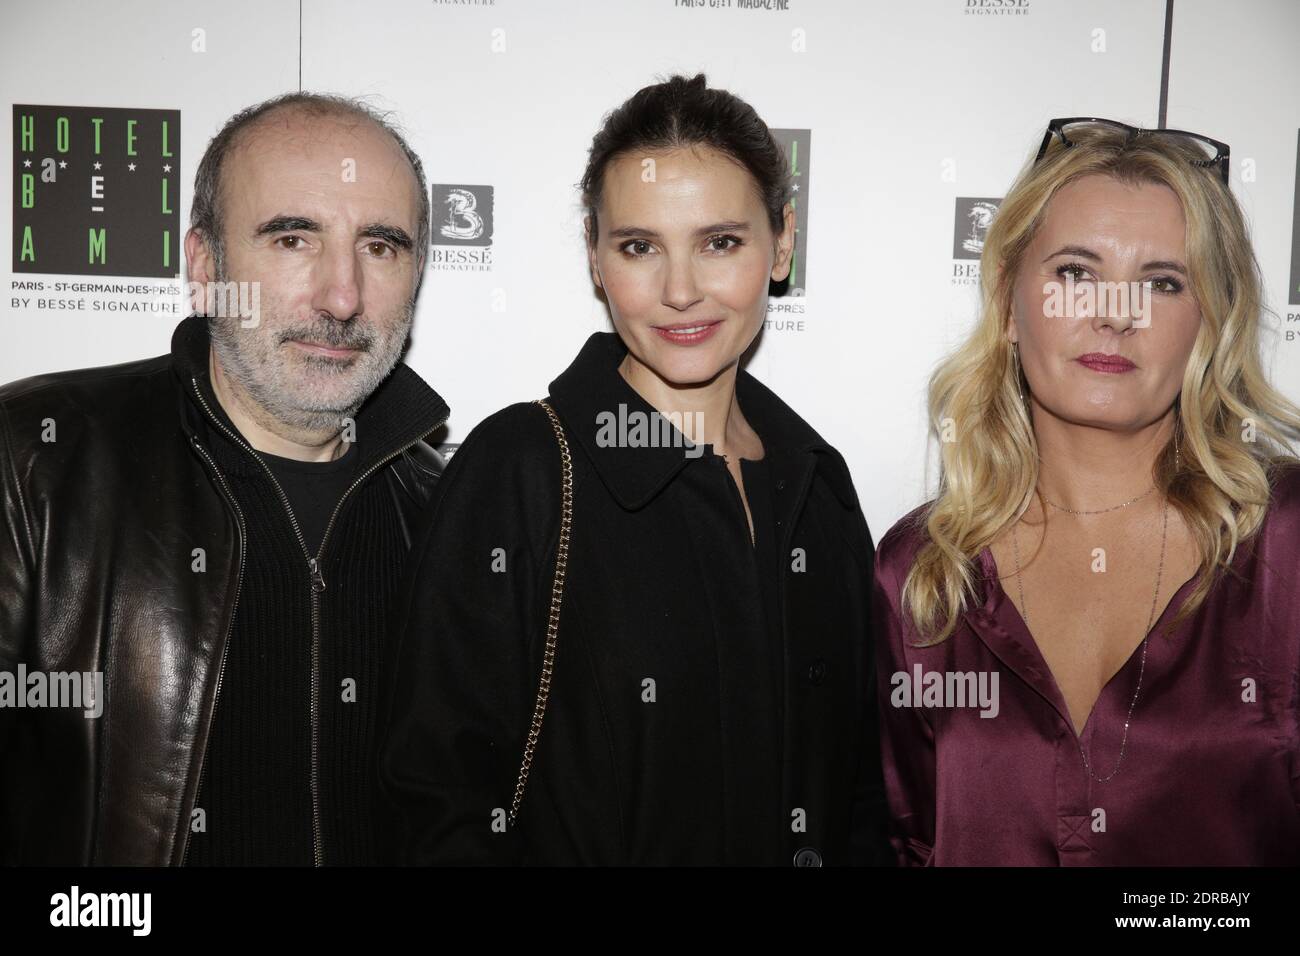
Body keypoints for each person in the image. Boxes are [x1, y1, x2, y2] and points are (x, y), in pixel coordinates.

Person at [381, 73, 890, 865]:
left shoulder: (818, 485)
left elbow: (857, 801)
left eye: (721, 242)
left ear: (783, 243)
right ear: (594, 257)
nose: (681, 291)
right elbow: (436, 803)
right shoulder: (520, 472)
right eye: (639, 247)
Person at [0, 92, 449, 865]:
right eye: (292, 239)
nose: (342, 297)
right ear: (205, 266)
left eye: (381, 246)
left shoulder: (445, 513)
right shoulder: (35, 459)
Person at [872, 118, 1300, 865]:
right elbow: (906, 843)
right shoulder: (919, 574)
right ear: (1008, 303)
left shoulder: (1286, 545)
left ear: (1210, 323)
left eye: (1162, 283)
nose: (1115, 314)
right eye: (1075, 272)